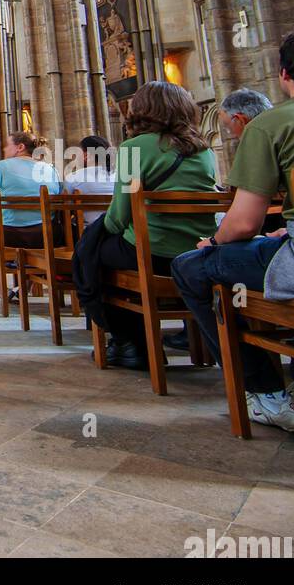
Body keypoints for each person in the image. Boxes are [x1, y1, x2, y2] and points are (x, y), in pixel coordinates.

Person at [172, 35, 294, 432]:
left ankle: (264, 392)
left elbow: (243, 224)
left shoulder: (272, 124)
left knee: (192, 266)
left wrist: (213, 242)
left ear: (283, 74)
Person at [98, 80, 217, 371]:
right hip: (198, 254)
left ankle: (130, 342)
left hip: (152, 254)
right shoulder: (205, 152)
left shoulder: (132, 148)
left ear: (141, 110)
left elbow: (117, 219)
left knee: (92, 256)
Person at [0, 131, 62, 299]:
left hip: (8, 234)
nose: (4, 148)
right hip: (45, 234)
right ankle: (23, 287)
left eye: (7, 145)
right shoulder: (50, 169)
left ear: (20, 147)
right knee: (41, 244)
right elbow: (58, 198)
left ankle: (1, 289)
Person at [64, 134, 116, 225]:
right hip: (118, 230)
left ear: (85, 155)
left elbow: (66, 208)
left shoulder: (73, 178)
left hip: (87, 231)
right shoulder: (119, 175)